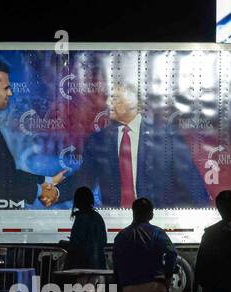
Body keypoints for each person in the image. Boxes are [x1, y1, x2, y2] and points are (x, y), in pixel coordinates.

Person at [62, 82, 210, 208]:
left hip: (156, 223)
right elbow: (84, 180)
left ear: (132, 103)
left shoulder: (166, 138)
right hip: (114, 223)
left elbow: (192, 184)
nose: (107, 103)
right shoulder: (98, 140)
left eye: (114, 98)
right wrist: (55, 192)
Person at [0, 58, 66, 208]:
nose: (10, 93)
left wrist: (47, 181)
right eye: (6, 88)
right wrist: (40, 191)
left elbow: (5, 172)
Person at [63, 186, 107, 270]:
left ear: (77, 201)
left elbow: (77, 244)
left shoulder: (81, 219)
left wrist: (64, 244)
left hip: (82, 266)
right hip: (98, 265)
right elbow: (103, 241)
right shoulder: (97, 217)